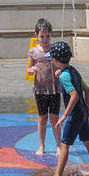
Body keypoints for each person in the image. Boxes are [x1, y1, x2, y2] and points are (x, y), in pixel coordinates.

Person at [40, 41, 89, 176]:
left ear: (55, 60)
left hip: (75, 115)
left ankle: (58, 175)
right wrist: (86, 109)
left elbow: (74, 96)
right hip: (83, 112)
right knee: (87, 141)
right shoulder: (73, 71)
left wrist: (65, 115)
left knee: (64, 144)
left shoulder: (63, 76)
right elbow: (87, 91)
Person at [26, 18, 61, 155]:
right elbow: (29, 70)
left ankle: (58, 145)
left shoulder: (54, 50)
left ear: (51, 34)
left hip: (54, 89)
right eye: (42, 36)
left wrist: (60, 70)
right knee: (42, 118)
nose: (45, 39)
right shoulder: (34, 52)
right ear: (36, 35)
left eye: (47, 36)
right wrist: (32, 70)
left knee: (54, 117)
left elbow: (61, 65)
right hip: (40, 90)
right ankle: (42, 146)